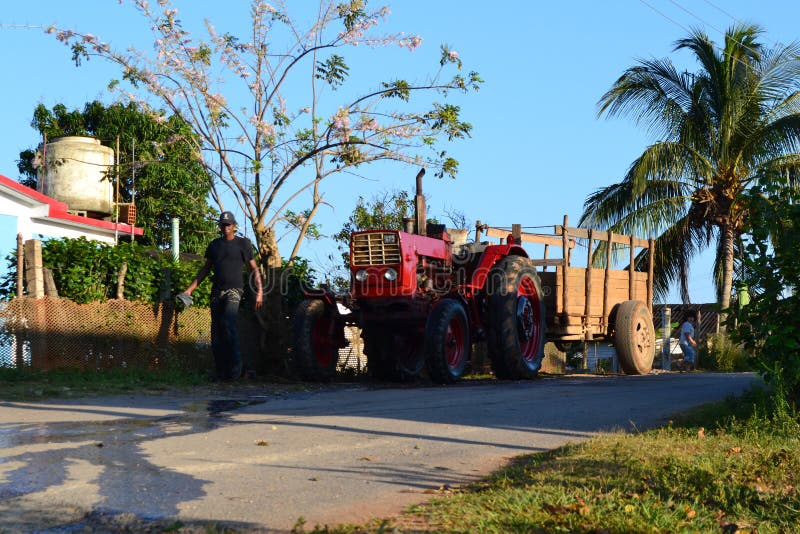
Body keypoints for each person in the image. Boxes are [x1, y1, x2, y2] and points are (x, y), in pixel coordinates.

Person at [179, 211, 263, 381]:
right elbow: (205, 269)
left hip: (234, 291)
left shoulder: (243, 244)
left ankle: (236, 370)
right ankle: (221, 372)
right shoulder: (214, 245)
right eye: (223, 225)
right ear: (220, 226)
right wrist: (189, 290)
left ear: (234, 226)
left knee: (228, 323)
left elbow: (254, 269)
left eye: (229, 225)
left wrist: (260, 291)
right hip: (217, 292)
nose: (226, 227)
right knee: (216, 333)